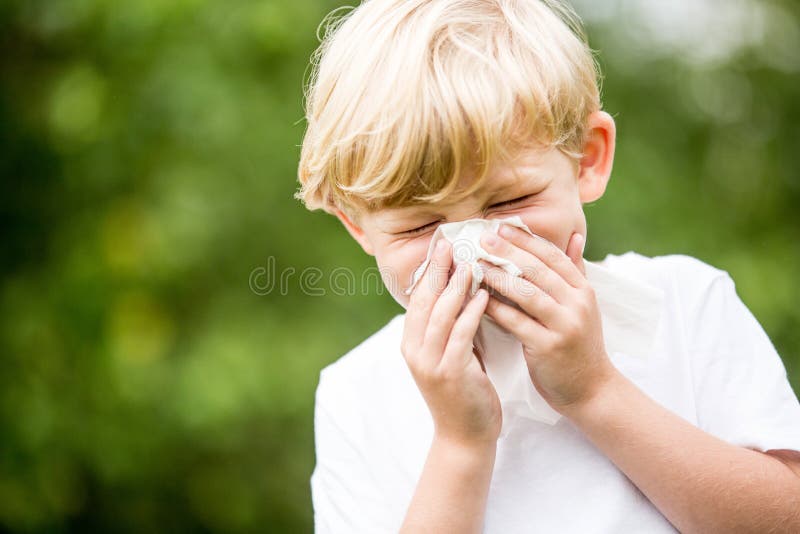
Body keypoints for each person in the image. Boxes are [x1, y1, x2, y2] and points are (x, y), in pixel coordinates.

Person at [294, 0, 800, 532]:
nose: (475, 248)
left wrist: (595, 390)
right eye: (420, 226)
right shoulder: (357, 393)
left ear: (587, 160)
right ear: (359, 227)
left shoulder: (682, 303)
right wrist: (460, 442)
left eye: (509, 202)